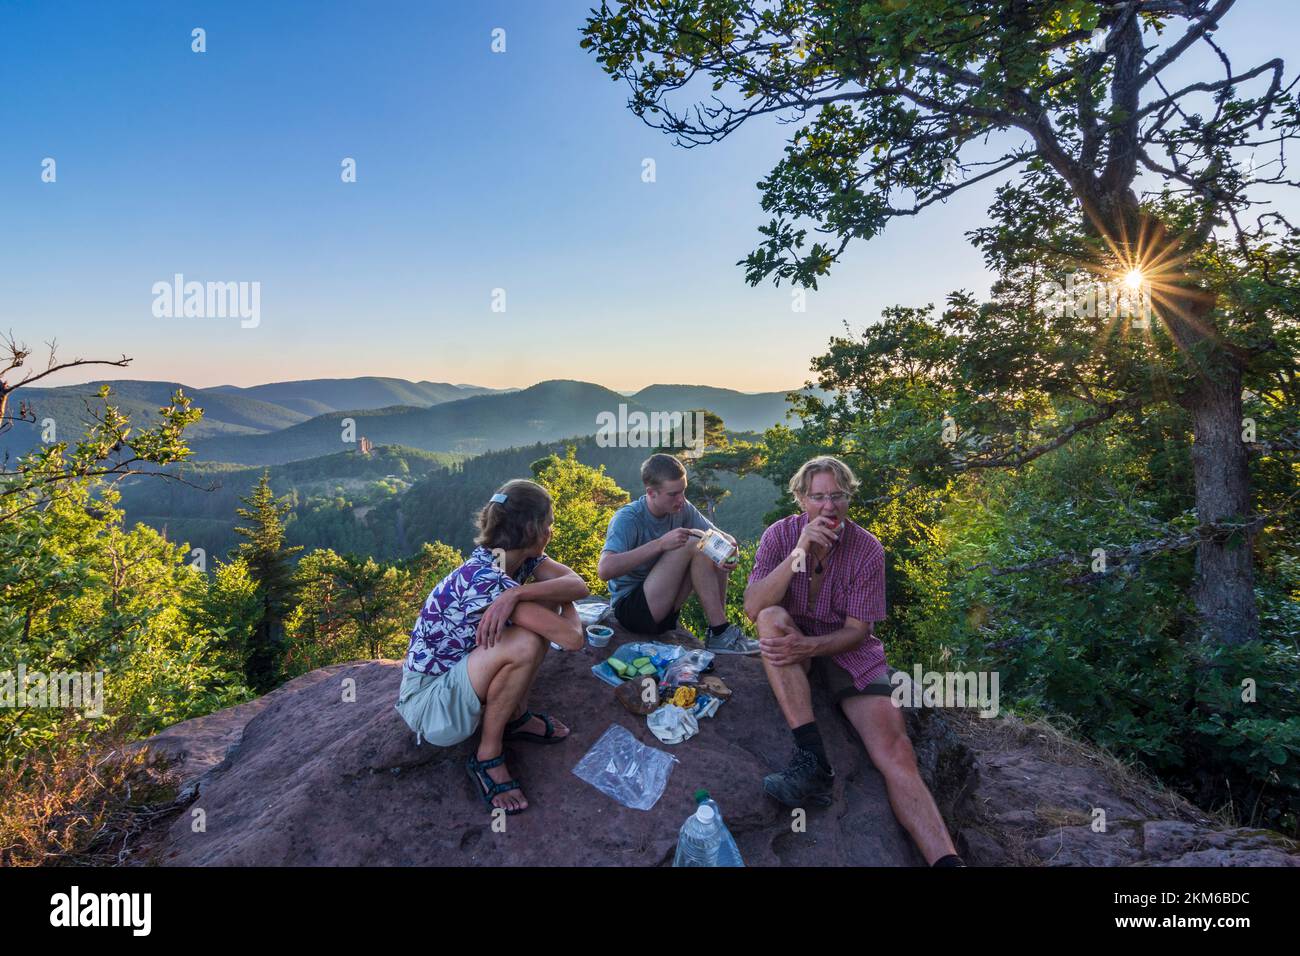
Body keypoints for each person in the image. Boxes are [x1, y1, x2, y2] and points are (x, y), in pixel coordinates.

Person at [743, 455, 966, 867]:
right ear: (801, 500)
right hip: (794, 638)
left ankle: (947, 862)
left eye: (837, 496)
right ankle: (812, 761)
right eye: (818, 497)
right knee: (773, 620)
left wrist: (807, 649)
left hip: (847, 653)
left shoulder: (866, 549)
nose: (829, 507)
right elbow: (754, 607)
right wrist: (800, 551)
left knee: (896, 751)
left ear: (848, 498)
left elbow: (857, 631)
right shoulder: (779, 535)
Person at [394, 479, 589, 815]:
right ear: (532, 529)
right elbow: (572, 638)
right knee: (527, 639)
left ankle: (515, 717)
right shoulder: (484, 580)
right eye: (549, 523)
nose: (552, 531)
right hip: (430, 708)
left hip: (453, 680)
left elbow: (578, 585)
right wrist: (556, 599)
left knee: (535, 625)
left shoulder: (509, 559)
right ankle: (488, 755)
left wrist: (519, 593)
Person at [598, 453, 759, 654]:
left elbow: (724, 539)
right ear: (651, 493)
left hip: (666, 610)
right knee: (694, 542)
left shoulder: (682, 508)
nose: (681, 499)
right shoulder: (628, 519)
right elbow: (604, 570)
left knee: (711, 545)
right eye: (673, 494)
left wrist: (730, 551)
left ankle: (721, 632)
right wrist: (659, 544)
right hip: (631, 610)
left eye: (683, 491)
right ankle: (720, 632)